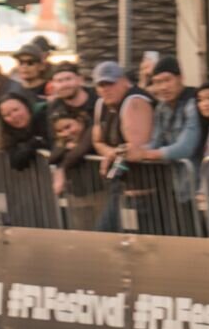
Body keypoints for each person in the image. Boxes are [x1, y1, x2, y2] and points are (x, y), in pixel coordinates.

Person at [94, 61, 156, 233]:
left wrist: (113, 154)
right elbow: (97, 141)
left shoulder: (134, 102)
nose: (106, 89)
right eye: (101, 84)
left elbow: (136, 149)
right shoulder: (101, 105)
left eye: (110, 83)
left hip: (147, 193)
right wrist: (111, 153)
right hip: (121, 189)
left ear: (123, 81)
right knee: (106, 238)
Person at [44, 62, 100, 229]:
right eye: (59, 81)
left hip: (103, 182)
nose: (63, 84)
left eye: (68, 78)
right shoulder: (55, 108)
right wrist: (63, 150)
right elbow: (54, 145)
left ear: (80, 80)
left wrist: (62, 166)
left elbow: (90, 140)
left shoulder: (97, 100)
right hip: (75, 185)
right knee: (81, 234)